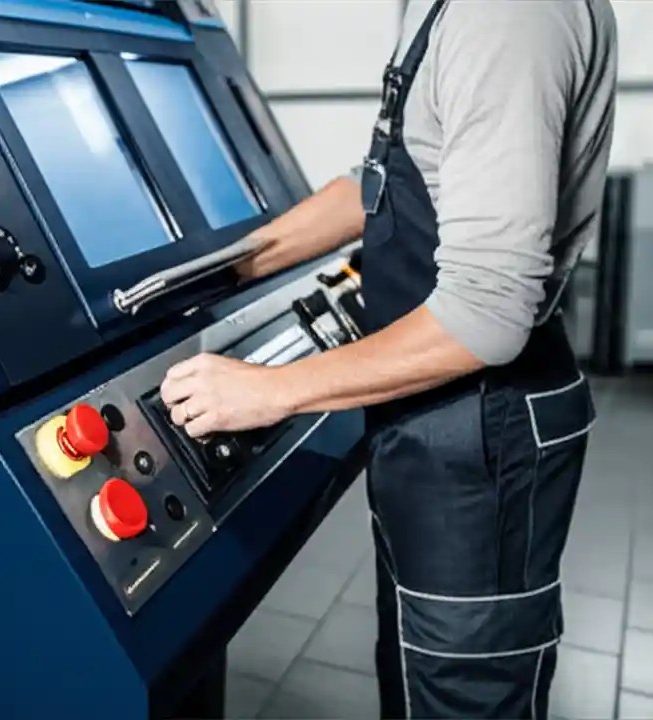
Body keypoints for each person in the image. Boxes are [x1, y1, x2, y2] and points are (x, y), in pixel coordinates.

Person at [159, 1, 618, 716]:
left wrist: (275, 390)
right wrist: (231, 268)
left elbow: (487, 313)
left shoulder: (504, 17)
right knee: (414, 666)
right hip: (433, 411)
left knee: (461, 689)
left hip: (481, 426)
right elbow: (383, 177)